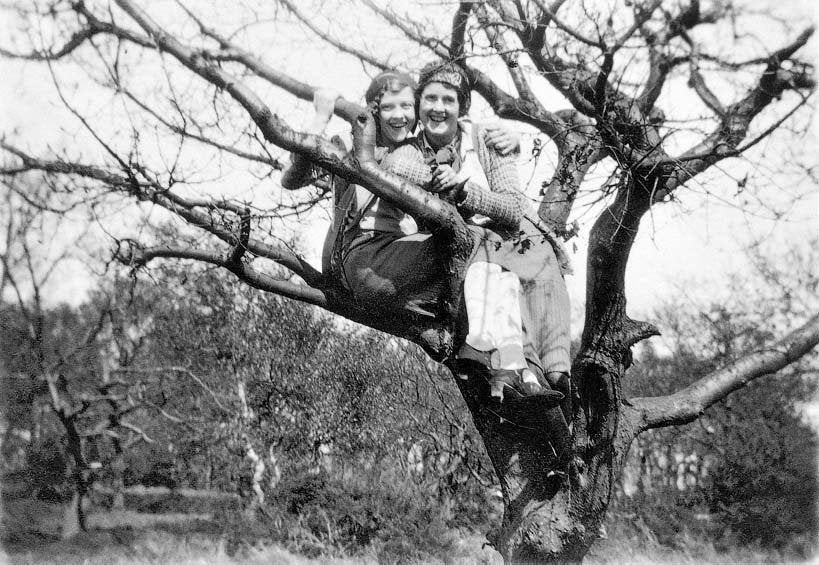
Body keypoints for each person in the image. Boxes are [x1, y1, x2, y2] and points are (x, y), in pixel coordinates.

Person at [281, 69, 563, 407]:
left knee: (493, 270)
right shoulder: (352, 144)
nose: (399, 115)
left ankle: (521, 374)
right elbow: (292, 179)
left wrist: (511, 139)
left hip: (402, 264)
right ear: (372, 110)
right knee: (479, 243)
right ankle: (496, 357)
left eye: (406, 107)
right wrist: (320, 117)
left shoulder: (413, 151)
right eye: (388, 107)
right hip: (364, 259)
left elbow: (459, 144)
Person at [378, 61, 573, 418]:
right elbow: (397, 168)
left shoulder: (486, 138)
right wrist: (436, 179)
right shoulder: (408, 150)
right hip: (458, 253)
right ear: (419, 104)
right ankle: (522, 373)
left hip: (505, 236)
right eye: (430, 99)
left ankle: (556, 373)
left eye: (448, 100)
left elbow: (513, 206)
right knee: (491, 268)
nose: (438, 108)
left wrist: (467, 192)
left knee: (540, 260)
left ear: (462, 106)